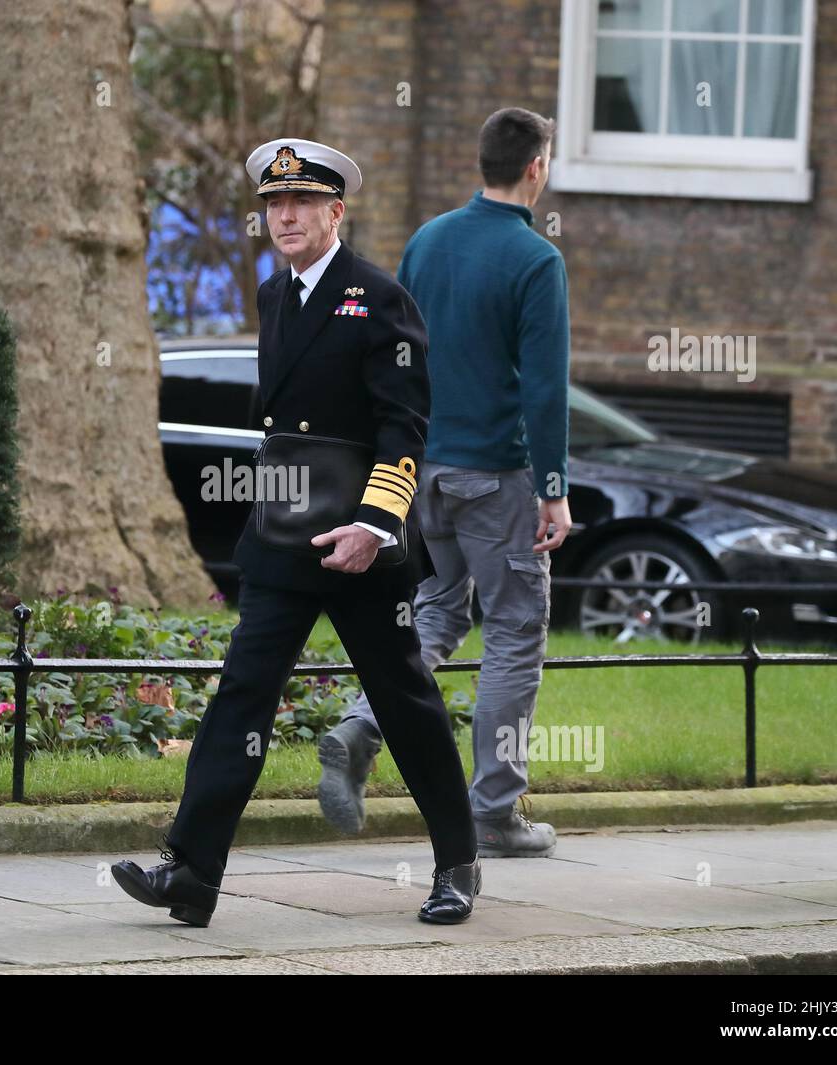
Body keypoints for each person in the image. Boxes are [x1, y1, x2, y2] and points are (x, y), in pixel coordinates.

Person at [111, 138, 481, 927]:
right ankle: (190, 871)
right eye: (275, 205)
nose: (285, 216)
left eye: (303, 203)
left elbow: (406, 425)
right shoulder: (275, 296)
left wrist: (376, 523)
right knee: (240, 694)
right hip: (284, 531)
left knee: (404, 699)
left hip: (360, 539)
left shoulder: (379, 298)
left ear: (334, 212)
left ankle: (458, 860)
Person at [317, 108, 573, 858]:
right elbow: (546, 390)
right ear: (535, 168)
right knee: (516, 632)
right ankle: (494, 808)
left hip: (423, 470)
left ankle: (360, 726)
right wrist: (553, 487)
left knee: (433, 615)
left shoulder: (428, 240)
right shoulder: (535, 260)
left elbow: (394, 350)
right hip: (498, 476)